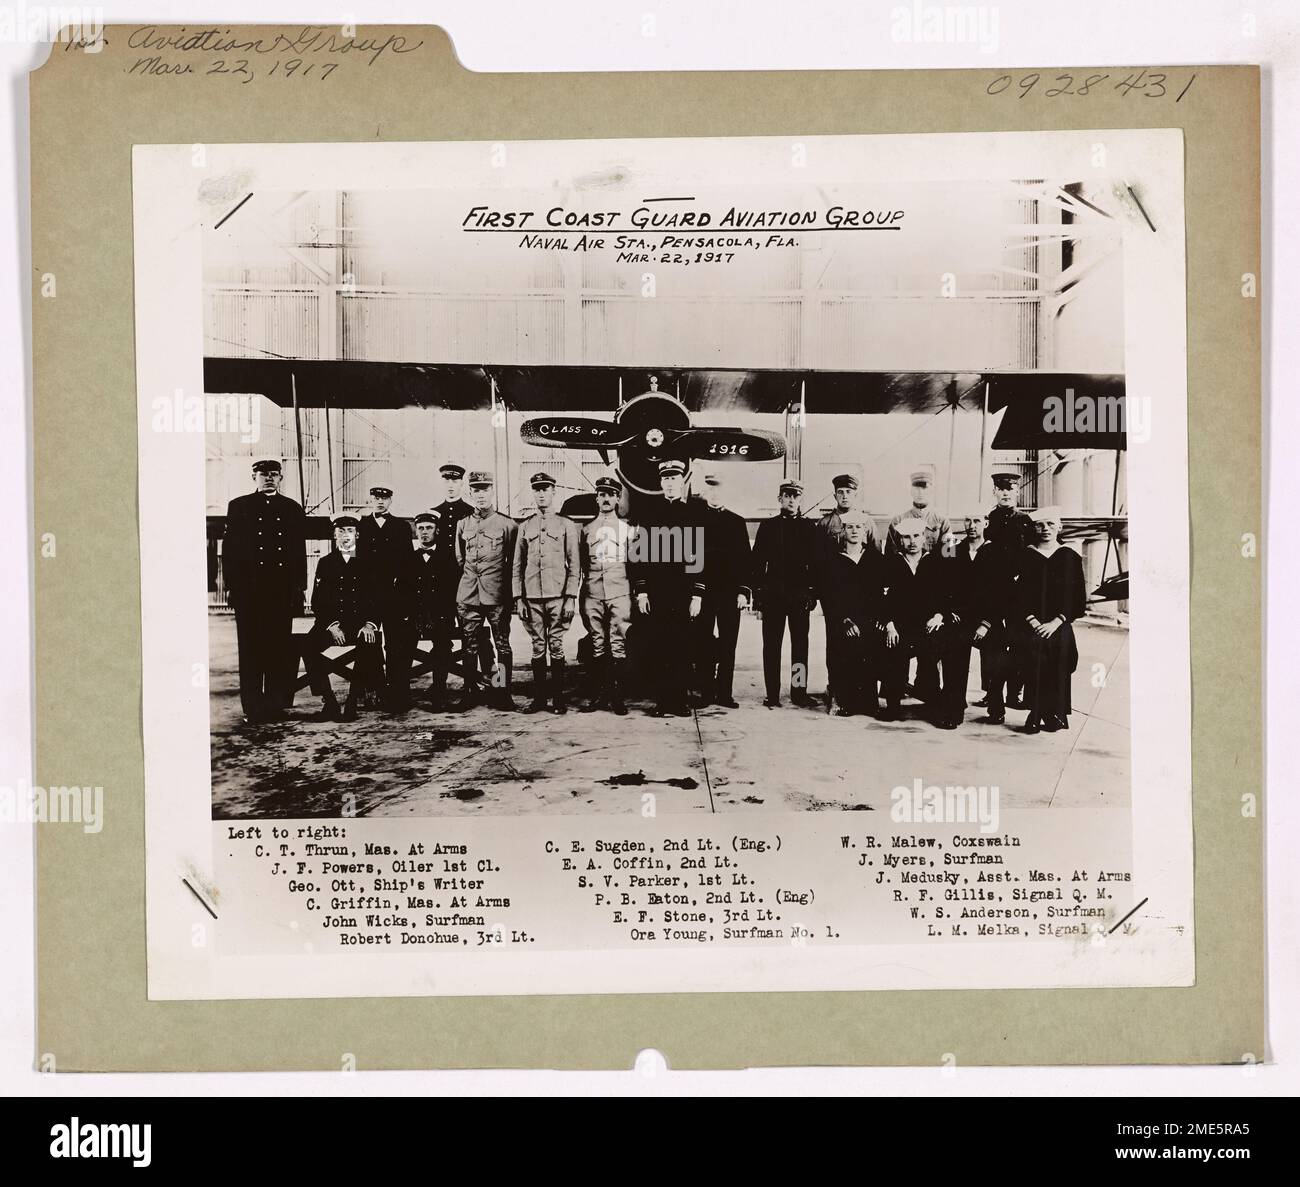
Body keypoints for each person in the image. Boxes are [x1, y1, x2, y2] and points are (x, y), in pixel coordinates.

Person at [222, 458, 307, 725]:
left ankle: (275, 704)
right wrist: (231, 587)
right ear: (254, 477)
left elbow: (297, 552)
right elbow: (230, 551)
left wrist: (299, 588)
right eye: (263, 474)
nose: (268, 478)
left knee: (278, 649)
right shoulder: (239, 506)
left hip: (280, 590)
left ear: (281, 478)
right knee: (250, 649)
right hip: (249, 591)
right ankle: (253, 707)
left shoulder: (292, 508)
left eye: (273, 474)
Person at [629, 458, 705, 717]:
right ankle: (662, 701)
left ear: (682, 481)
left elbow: (698, 557)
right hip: (658, 592)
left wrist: (697, 594)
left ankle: (680, 700)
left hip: (683, 592)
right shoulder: (649, 514)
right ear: (661, 483)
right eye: (666, 479)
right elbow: (638, 556)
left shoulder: (693, 513)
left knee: (683, 646)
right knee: (659, 646)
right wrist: (641, 591)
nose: (671, 483)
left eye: (675, 479)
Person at [1013, 506, 1086, 733]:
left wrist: (1056, 622)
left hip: (1059, 624)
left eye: (1050, 524)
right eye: (1040, 525)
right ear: (1034, 528)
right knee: (1033, 666)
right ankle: (1035, 714)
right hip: (1032, 625)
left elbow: (1077, 596)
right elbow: (1018, 595)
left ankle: (1056, 712)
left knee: (1060, 666)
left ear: (1059, 527)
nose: (1045, 529)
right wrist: (1033, 621)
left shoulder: (1069, 556)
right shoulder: (1026, 556)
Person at [303, 514, 383, 722]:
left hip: (360, 624)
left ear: (357, 534)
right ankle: (328, 701)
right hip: (332, 624)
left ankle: (352, 700)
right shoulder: (325, 562)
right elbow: (317, 600)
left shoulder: (370, 561)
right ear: (334, 535)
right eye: (340, 531)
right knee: (308, 647)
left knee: (368, 644)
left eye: (349, 531)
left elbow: (378, 598)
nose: (345, 536)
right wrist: (331, 625)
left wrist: (370, 624)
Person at [513, 471, 581, 714]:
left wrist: (571, 597)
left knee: (557, 646)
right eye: (537, 489)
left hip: (558, 596)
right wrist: (518, 598)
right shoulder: (526, 526)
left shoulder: (566, 525)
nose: (541, 494)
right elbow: (517, 565)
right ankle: (540, 699)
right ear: (533, 493)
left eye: (545, 489)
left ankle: (559, 699)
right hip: (531, 597)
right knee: (537, 646)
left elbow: (575, 565)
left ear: (554, 492)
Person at [454, 472, 518, 711]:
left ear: (493, 492)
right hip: (469, 594)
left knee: (502, 644)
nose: (480, 495)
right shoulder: (463, 524)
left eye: (485, 490)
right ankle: (471, 691)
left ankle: (502, 692)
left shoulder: (507, 524)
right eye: (476, 490)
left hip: (496, 594)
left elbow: (512, 562)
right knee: (469, 645)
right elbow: (460, 559)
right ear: (470, 493)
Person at [751, 479, 818, 708]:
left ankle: (799, 692)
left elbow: (815, 564)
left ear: (801, 500)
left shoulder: (809, 527)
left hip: (799, 598)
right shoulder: (768, 526)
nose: (791, 500)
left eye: (795, 496)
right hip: (773, 597)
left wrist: (812, 593)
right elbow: (757, 564)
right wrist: (758, 598)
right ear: (779, 499)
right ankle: (772, 694)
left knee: (800, 647)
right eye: (787, 495)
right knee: (771, 646)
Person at [885, 466, 949, 703]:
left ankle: (928, 691)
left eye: (925, 487)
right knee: (896, 649)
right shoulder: (897, 520)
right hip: (904, 595)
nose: (920, 493)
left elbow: (949, 559)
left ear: (931, 490)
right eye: (916, 487)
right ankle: (895, 693)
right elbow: (891, 560)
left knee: (931, 649)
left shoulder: (942, 520)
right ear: (910, 489)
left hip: (930, 590)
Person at [877, 514, 944, 721]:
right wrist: (889, 625)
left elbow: (944, 593)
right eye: (906, 537)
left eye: (916, 535)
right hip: (900, 625)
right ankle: (893, 704)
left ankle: (931, 700)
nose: (912, 541)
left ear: (924, 537)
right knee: (894, 653)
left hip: (926, 624)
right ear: (900, 539)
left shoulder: (934, 561)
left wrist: (939, 615)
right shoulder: (891, 563)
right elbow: (882, 597)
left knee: (931, 654)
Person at [695, 472, 753, 709]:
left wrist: (743, 592)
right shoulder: (696, 520)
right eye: (711, 490)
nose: (715, 494)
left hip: (730, 594)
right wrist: (695, 594)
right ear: (706, 493)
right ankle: (706, 694)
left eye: (719, 490)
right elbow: (692, 558)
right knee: (704, 643)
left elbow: (745, 562)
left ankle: (725, 694)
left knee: (729, 644)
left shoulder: (737, 522)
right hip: (704, 593)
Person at [982, 465, 1036, 711]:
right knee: (993, 644)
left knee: (1018, 642)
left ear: (1017, 492)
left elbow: (1031, 556)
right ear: (994, 491)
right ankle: (991, 692)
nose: (1006, 493)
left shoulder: (1024, 521)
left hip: (1018, 592)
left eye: (1010, 489)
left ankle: (1014, 692)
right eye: (1001, 489)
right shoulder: (990, 519)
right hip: (993, 591)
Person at [579, 475, 632, 715]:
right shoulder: (586, 530)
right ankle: (598, 695)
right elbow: (580, 563)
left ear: (618, 498)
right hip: (593, 592)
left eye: (611, 494)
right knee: (597, 643)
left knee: (618, 643)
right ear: (596, 499)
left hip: (620, 592)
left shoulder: (628, 529)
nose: (606, 499)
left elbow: (634, 562)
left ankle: (617, 696)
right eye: (602, 495)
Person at [821, 509, 883, 716]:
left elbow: (879, 594)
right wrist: (844, 621)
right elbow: (830, 595)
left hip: (868, 619)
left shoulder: (874, 559)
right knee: (843, 656)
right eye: (850, 527)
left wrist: (873, 619)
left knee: (869, 655)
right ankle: (844, 701)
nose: (854, 531)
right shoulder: (834, 560)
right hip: (843, 621)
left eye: (859, 527)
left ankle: (868, 702)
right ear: (843, 531)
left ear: (865, 531)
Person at [816, 473, 869, 706]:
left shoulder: (867, 522)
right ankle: (836, 688)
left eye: (849, 492)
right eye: (841, 492)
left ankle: (860, 690)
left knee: (863, 641)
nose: (845, 496)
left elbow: (874, 559)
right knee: (835, 642)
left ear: (855, 495)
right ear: (835, 495)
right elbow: (817, 562)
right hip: (834, 594)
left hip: (862, 596)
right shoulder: (825, 523)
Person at [357, 484, 412, 711]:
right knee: (369, 640)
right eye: (376, 498)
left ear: (391, 501)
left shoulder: (401, 526)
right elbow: (350, 561)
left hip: (394, 594)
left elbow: (409, 563)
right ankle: (375, 689)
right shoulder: (360, 525)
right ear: (370, 500)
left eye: (385, 498)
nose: (380, 501)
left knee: (396, 643)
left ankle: (398, 692)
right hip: (367, 594)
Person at [922, 523, 976, 730]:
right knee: (929, 656)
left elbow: (963, 590)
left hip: (957, 620)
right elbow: (927, 593)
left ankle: (954, 710)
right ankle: (939, 701)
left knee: (956, 660)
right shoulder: (928, 560)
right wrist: (936, 614)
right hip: (932, 619)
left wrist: (946, 613)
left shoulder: (955, 553)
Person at [393, 510, 448, 710]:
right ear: (416, 532)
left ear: (437, 531)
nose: (425, 532)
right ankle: (402, 694)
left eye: (429, 528)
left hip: (438, 615)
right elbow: (401, 591)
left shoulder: (447, 557)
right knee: (403, 645)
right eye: (421, 528)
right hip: (413, 615)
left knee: (442, 646)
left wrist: (440, 615)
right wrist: (409, 615)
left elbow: (450, 591)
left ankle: (439, 693)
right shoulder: (407, 558)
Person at [430, 463, 475, 706]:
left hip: (466, 582)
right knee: (441, 636)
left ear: (461, 484)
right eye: (446, 481)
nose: (450, 485)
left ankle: (471, 686)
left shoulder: (470, 512)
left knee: (471, 637)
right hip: (442, 586)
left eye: (455, 481)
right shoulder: (433, 513)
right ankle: (439, 687)